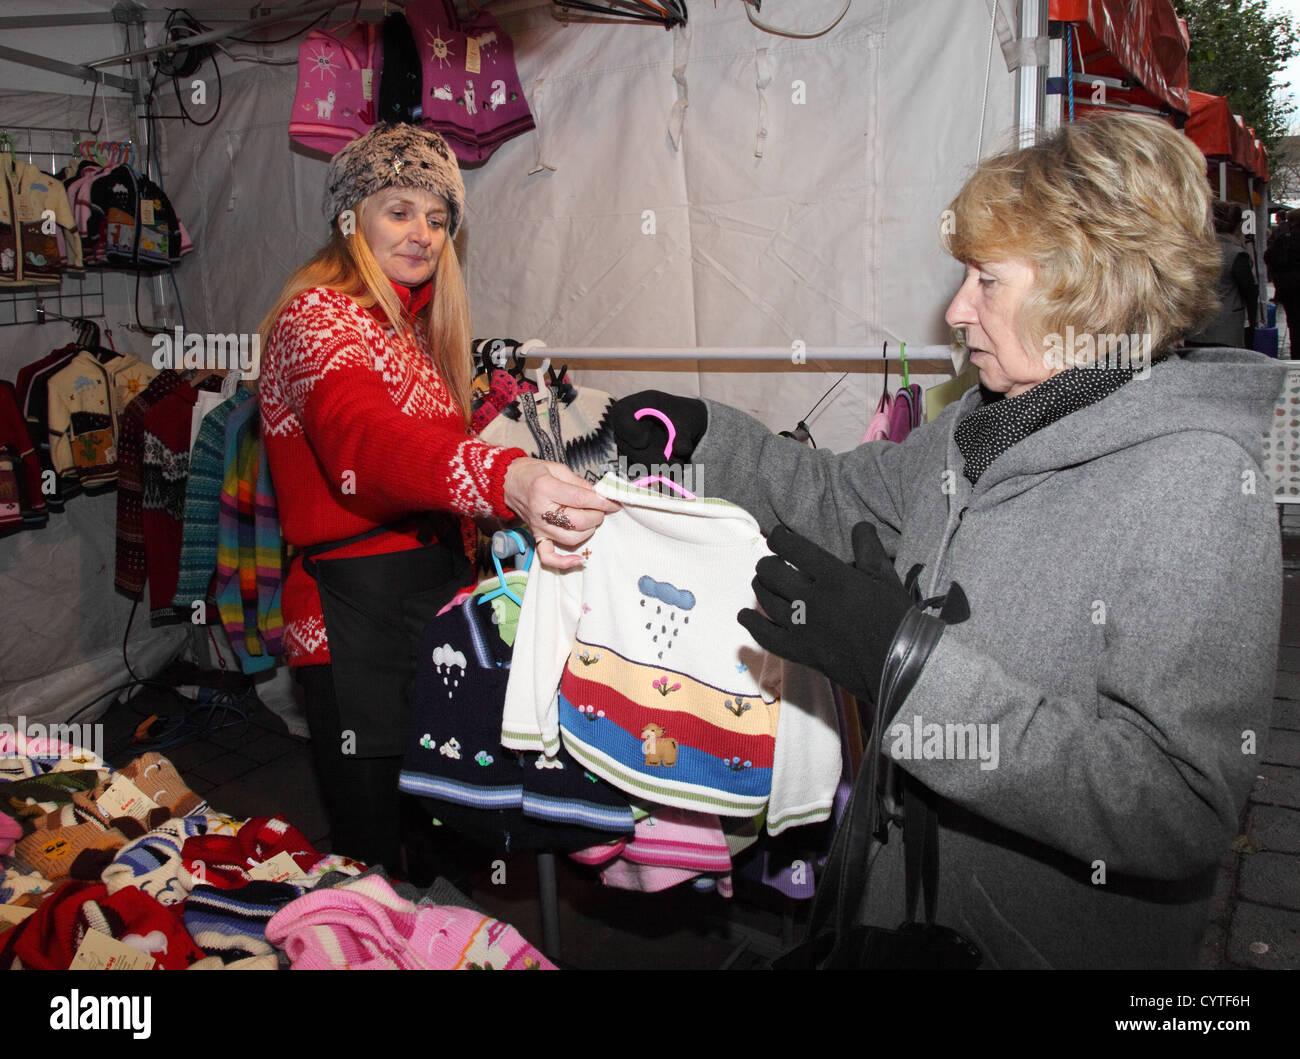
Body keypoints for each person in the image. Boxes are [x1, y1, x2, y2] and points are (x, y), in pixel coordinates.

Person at [611, 114, 1286, 969]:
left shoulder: (1196, 488)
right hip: (905, 918)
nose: (957, 308)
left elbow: (1178, 805)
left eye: (985, 281)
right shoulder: (986, 424)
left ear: (1093, 288)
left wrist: (908, 666)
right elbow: (841, 492)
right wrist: (711, 436)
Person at [258, 123, 617, 874]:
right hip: (347, 614)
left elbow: (423, 468)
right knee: (371, 849)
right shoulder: (316, 318)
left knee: (438, 823)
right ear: (351, 217)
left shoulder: (413, 332)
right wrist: (505, 478)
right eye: (398, 209)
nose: (422, 232)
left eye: (437, 216)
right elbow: (362, 442)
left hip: (425, 598)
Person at [1187, 200, 1258, 349]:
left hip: (1197, 328)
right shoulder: (1236, 254)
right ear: (1237, 226)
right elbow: (1249, 292)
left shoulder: (1197, 251)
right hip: (1227, 330)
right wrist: (1253, 322)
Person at [1265, 209, 1300, 350]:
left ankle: (1296, 353)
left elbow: (1268, 257)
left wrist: (1279, 273)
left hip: (1289, 286)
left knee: (1294, 322)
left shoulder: (1285, 237)